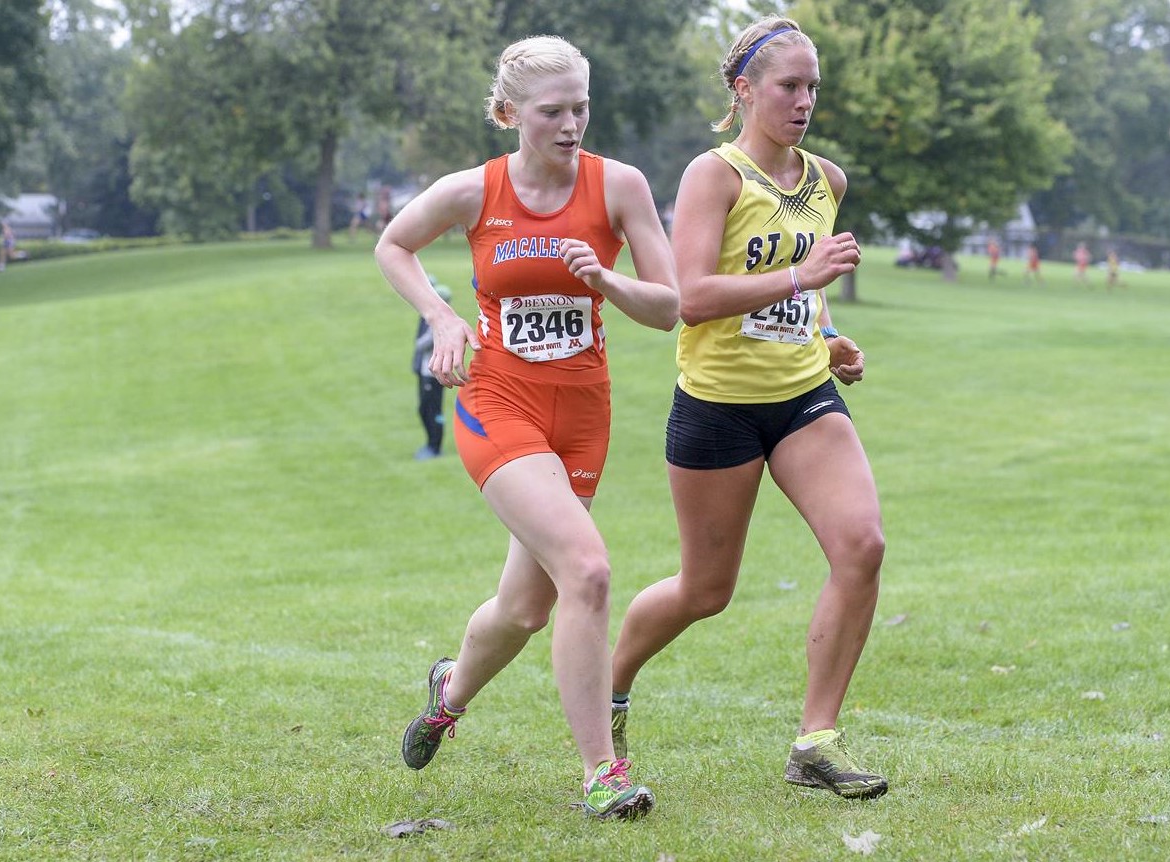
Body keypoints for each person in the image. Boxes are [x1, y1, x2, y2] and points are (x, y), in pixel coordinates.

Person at [374, 34, 678, 820]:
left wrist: (605, 278)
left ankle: (449, 692)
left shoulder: (621, 187)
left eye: (581, 106)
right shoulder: (472, 191)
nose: (571, 122)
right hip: (495, 399)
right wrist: (441, 316)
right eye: (552, 111)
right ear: (510, 113)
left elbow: (668, 306)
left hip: (583, 413)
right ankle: (603, 774)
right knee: (588, 569)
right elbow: (394, 245)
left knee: (525, 607)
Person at [608, 15, 888, 801]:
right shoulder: (715, 175)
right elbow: (691, 298)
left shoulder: (824, 180)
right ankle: (614, 679)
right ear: (744, 91)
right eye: (788, 87)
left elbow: (808, 294)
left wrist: (831, 335)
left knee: (861, 546)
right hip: (718, 407)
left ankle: (816, 741)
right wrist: (803, 280)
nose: (803, 102)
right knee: (706, 591)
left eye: (811, 89)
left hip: (802, 395)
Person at [413, 277, 454, 460]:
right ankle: (430, 444)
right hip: (425, 370)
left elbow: (425, 342)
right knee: (424, 408)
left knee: (433, 410)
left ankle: (435, 447)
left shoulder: (439, 320)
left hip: (434, 371)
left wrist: (418, 343)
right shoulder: (428, 317)